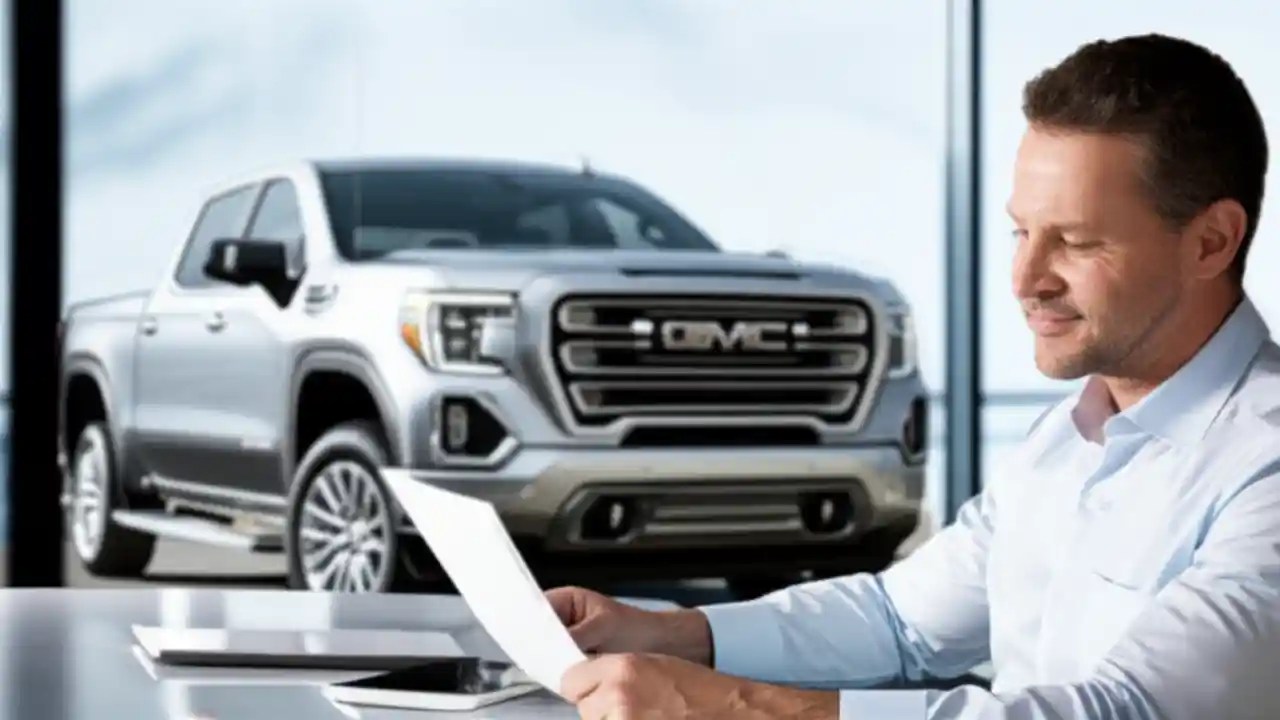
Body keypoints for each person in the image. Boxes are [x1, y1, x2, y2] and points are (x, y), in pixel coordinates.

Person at [549, 33, 1280, 719]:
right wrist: (666, 633)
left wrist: (729, 706)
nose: (1025, 279)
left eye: (1078, 242)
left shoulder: (1265, 465)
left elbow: (1121, 713)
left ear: (1211, 241)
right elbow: (900, 622)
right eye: (1022, 232)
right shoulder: (1065, 440)